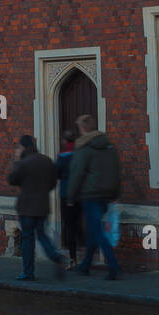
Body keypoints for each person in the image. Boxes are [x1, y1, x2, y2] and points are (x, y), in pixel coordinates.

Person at [66, 114, 122, 279]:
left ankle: (114, 266)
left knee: (97, 231)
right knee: (93, 231)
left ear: (82, 128)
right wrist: (115, 193)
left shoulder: (84, 148)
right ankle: (85, 265)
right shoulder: (109, 147)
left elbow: (77, 173)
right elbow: (116, 170)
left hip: (91, 195)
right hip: (107, 194)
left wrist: (70, 197)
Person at [7, 134, 66, 282]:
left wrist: (16, 161)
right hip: (43, 206)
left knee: (27, 239)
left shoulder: (23, 163)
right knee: (42, 235)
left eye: (19, 147)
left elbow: (12, 179)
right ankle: (56, 257)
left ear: (24, 147)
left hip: (27, 207)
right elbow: (53, 182)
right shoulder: (46, 161)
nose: (17, 150)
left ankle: (28, 272)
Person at [55, 125, 83, 267]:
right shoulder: (80, 153)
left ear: (64, 141)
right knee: (79, 222)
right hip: (81, 192)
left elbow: (56, 173)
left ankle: (73, 258)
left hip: (66, 194)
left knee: (69, 225)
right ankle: (85, 248)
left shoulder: (62, 155)